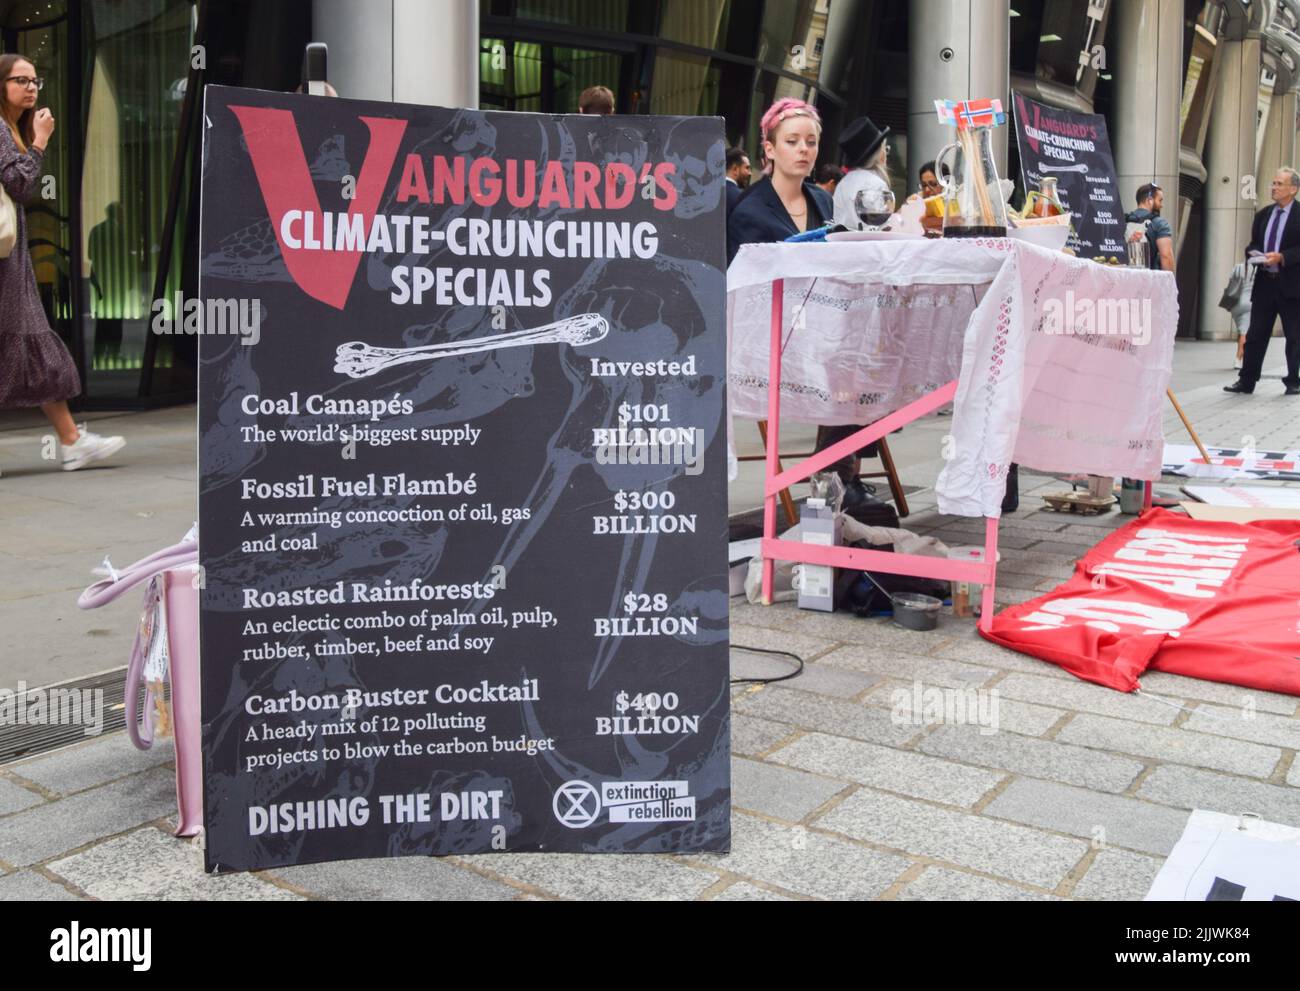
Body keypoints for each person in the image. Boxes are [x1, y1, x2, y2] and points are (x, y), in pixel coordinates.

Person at [0, 53, 124, 470]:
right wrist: (39, 141)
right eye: (21, 80)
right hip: (4, 265)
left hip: (8, 262)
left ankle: (71, 440)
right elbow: (19, 184)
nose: (32, 87)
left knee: (31, 344)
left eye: (35, 80)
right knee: (30, 339)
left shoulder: (8, 129)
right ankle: (72, 442)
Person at [726, 97, 832, 265]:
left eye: (812, 142)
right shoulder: (748, 211)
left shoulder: (824, 199)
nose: (804, 149)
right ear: (770, 150)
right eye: (792, 141)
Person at [1225, 167, 1300, 396]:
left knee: (1295, 336)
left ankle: (1293, 381)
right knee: (1256, 334)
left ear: (1293, 189)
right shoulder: (1263, 215)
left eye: (1279, 184)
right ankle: (1247, 380)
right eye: (1273, 183)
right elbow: (1253, 244)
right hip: (1265, 283)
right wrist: (1256, 255)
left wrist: (1283, 257)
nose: (1273, 188)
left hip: (1291, 286)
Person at [831, 116, 891, 229]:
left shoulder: (843, 183)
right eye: (885, 149)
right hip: (869, 245)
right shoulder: (875, 184)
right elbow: (879, 228)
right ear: (879, 154)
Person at [1125, 183, 1175, 272]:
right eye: (1160, 200)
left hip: (1127, 278)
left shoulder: (1124, 221)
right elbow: (1166, 256)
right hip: (1150, 280)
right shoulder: (1159, 223)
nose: (1161, 205)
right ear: (1150, 200)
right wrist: (1170, 282)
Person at [1218, 260, 1256, 369]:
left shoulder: (1238, 267)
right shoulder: (1258, 269)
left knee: (1241, 330)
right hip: (1249, 303)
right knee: (1244, 332)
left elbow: (1231, 283)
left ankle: (1242, 356)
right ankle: (1238, 359)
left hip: (1235, 303)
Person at [724, 146, 751, 214]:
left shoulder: (705, 192)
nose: (750, 173)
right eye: (747, 168)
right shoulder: (742, 198)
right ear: (735, 169)